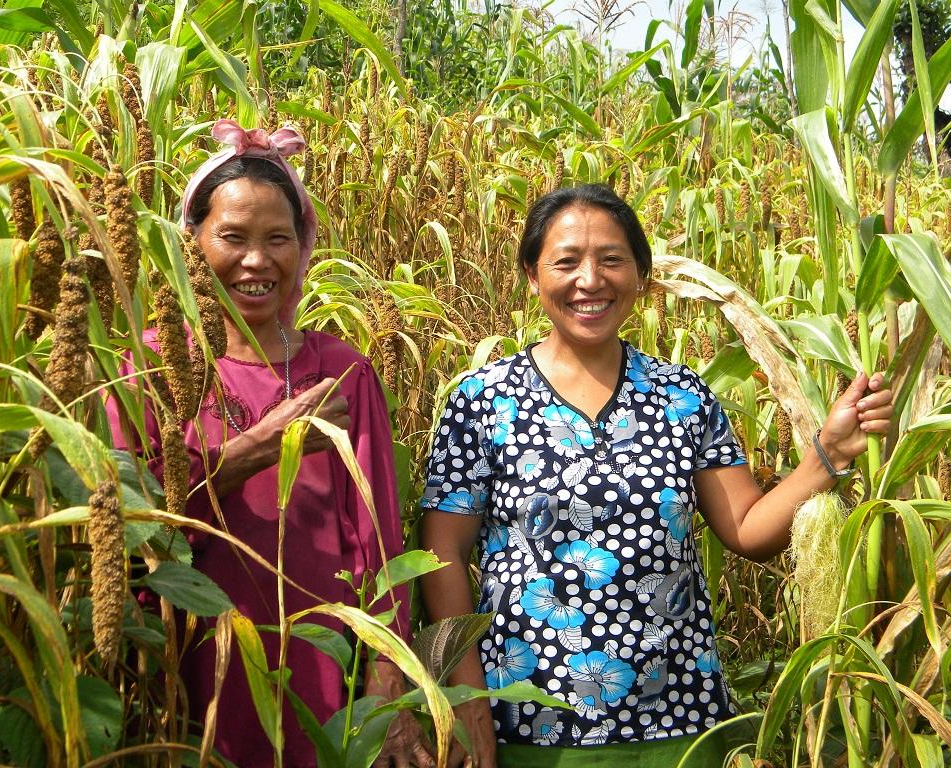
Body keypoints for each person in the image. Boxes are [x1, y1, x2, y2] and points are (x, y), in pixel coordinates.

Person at [418, 184, 893, 767]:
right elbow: (442, 547)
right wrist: (465, 695)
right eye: (566, 261)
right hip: (527, 721)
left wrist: (829, 452)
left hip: (678, 719)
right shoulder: (483, 399)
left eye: (612, 260)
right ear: (531, 276)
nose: (590, 280)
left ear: (641, 276)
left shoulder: (684, 397)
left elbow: (747, 529)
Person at [108, 120, 432, 768]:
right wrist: (262, 444)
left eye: (277, 239)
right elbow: (134, 527)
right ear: (191, 244)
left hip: (321, 685)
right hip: (184, 678)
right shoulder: (146, 370)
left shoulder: (342, 374)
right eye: (232, 237)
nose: (257, 261)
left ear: (303, 245)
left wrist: (385, 694)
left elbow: (379, 548)